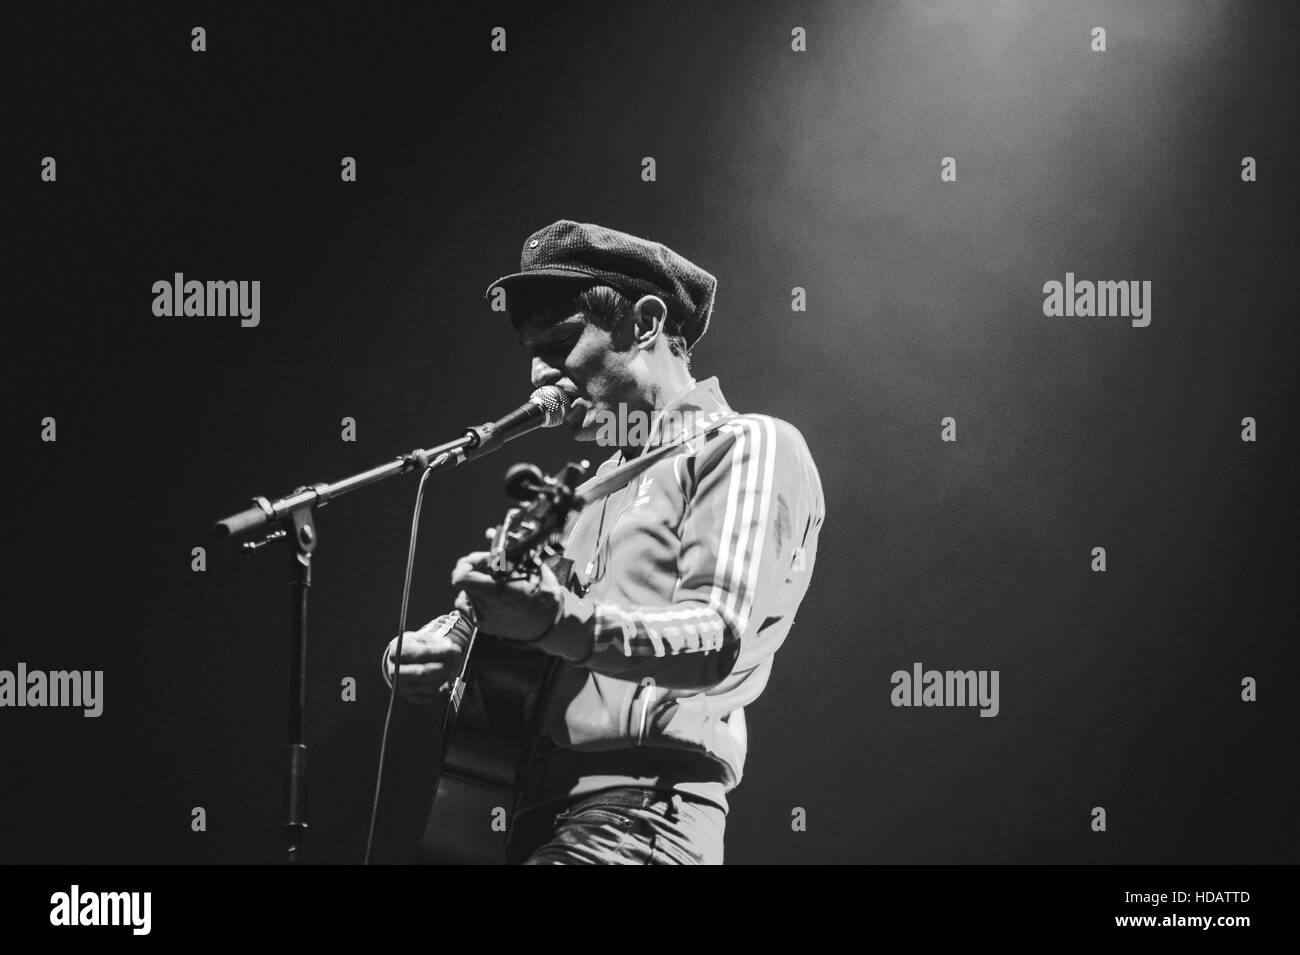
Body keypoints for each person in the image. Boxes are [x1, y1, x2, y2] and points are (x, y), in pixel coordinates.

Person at [384, 219, 825, 864]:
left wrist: (553, 621)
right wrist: (437, 645)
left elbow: (715, 637)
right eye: (531, 352)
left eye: (561, 342)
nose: (538, 376)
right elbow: (507, 635)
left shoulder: (743, 444)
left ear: (644, 323)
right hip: (515, 817)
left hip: (644, 812)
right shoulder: (577, 494)